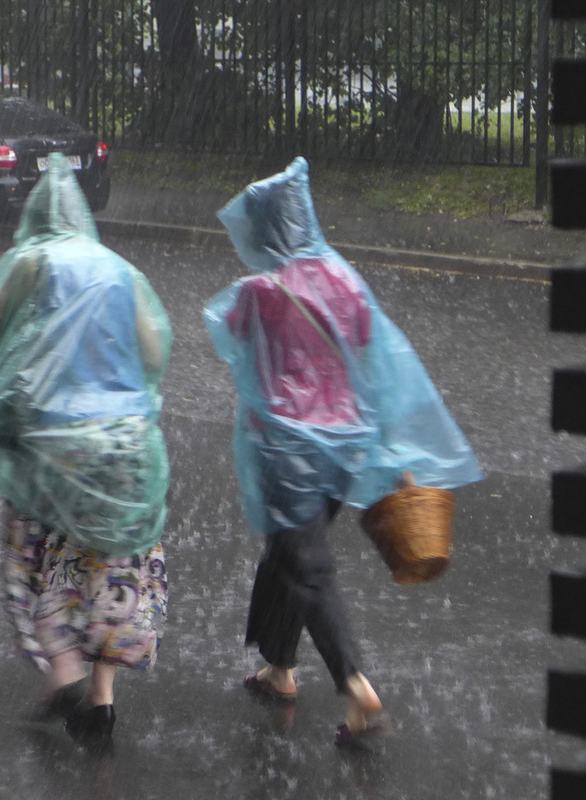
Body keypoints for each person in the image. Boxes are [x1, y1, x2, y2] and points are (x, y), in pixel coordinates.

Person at [203, 157, 484, 745]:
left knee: (305, 564)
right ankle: (279, 669)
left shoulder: (260, 290)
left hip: (286, 449)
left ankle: (356, 686)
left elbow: (234, 342)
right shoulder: (343, 279)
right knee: (289, 552)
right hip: (342, 447)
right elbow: (368, 356)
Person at [0, 153, 172, 755]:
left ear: (36, 215)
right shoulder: (120, 270)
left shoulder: (33, 260)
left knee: (37, 556)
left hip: (50, 441)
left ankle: (63, 669)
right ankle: (101, 700)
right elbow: (152, 354)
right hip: (120, 443)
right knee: (110, 560)